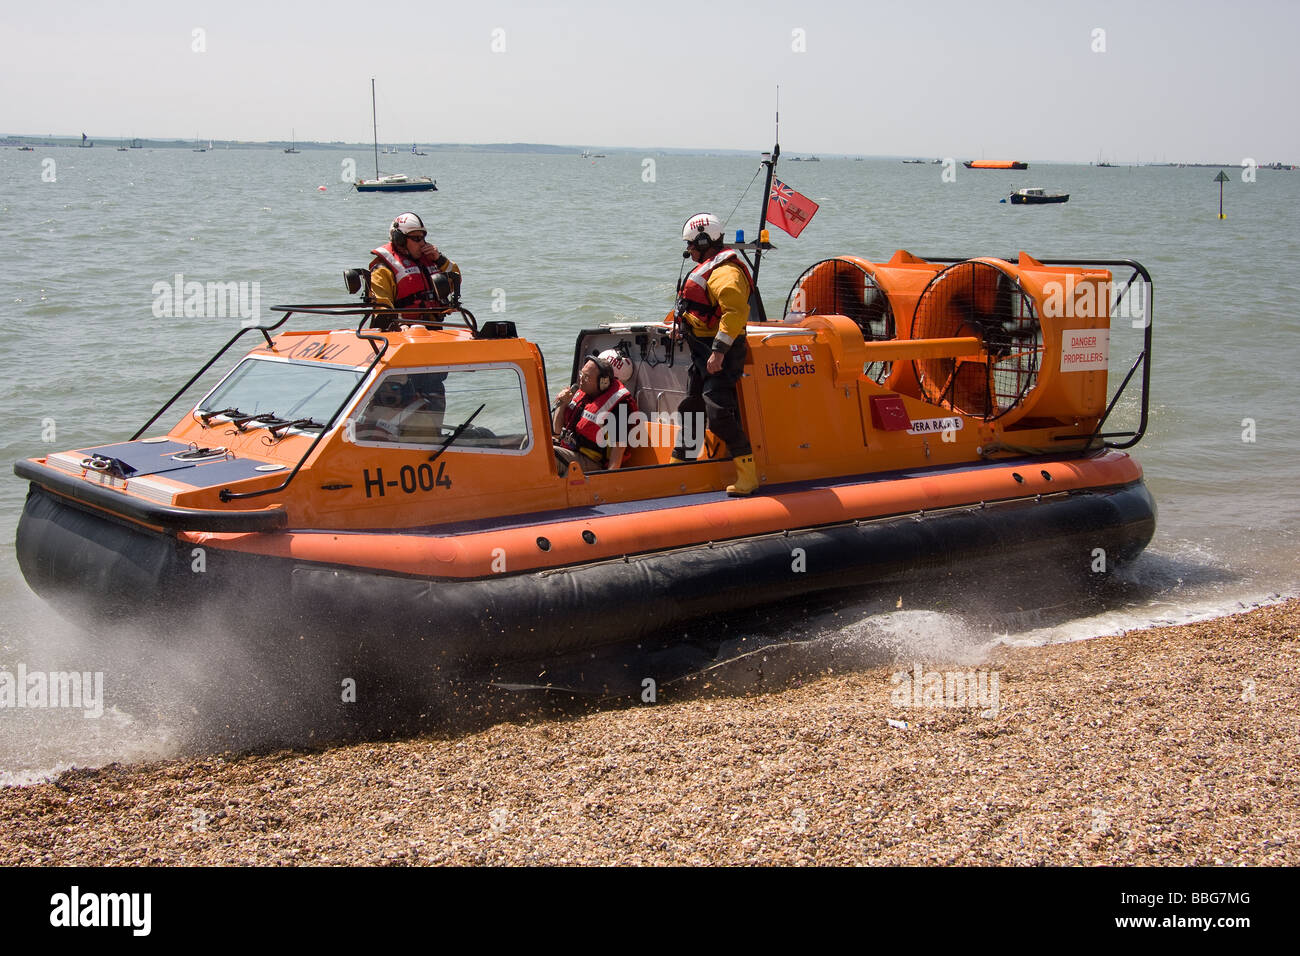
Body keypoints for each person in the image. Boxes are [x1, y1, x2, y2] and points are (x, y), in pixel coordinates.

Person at [670, 212, 759, 496]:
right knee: (691, 406)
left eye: (693, 245)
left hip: (721, 350)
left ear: (707, 240)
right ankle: (680, 464)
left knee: (717, 411)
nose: (690, 250)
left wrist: (719, 352)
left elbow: (735, 313)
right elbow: (699, 310)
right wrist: (680, 326)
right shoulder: (709, 268)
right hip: (700, 348)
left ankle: (748, 474)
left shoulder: (726, 273)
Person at [367, 212, 461, 331]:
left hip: (432, 330)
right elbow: (381, 307)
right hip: (400, 332)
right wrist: (399, 325)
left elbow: (456, 280)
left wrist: (440, 259)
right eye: (417, 238)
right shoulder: (382, 269)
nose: (422, 243)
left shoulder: (430, 260)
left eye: (423, 238)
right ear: (400, 240)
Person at [552, 352, 637, 474]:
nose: (581, 379)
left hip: (592, 463)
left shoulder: (620, 406)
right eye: (581, 373)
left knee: (549, 455)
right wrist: (563, 403)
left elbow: (618, 449)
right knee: (532, 445)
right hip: (569, 450)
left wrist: (608, 479)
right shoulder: (580, 394)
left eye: (586, 377)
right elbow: (557, 432)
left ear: (603, 383)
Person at [356, 373, 446, 443]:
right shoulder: (372, 409)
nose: (388, 394)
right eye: (383, 389)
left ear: (404, 391)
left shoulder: (420, 418)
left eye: (394, 388)